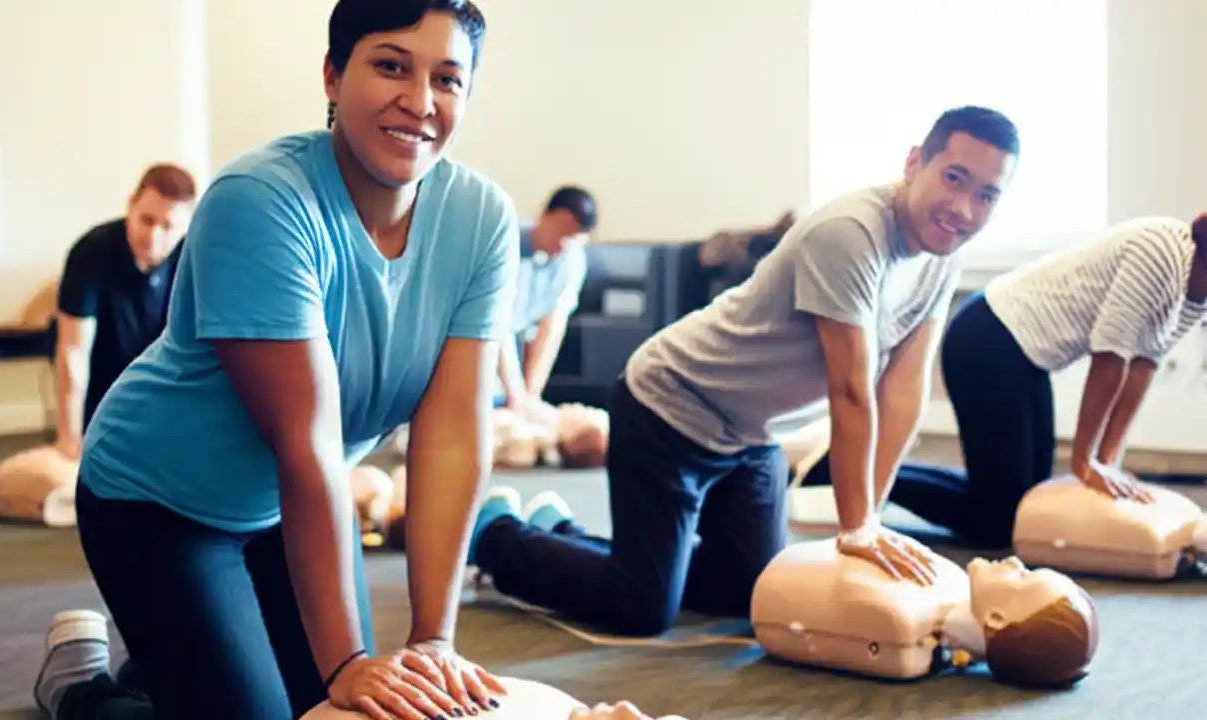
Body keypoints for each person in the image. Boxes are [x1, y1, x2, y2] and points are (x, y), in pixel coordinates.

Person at [33, 2, 519, 719]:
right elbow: (308, 445)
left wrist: (433, 639)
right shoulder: (260, 200)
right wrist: (349, 661)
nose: (420, 102)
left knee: (338, 709)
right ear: (332, 75)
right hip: (159, 502)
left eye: (448, 80)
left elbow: (451, 435)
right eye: (391, 65)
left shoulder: (482, 220)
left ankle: (173, 658)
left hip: (285, 510)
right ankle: (82, 691)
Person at [466, 106, 1021, 636]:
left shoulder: (943, 258)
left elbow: (903, 391)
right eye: (954, 178)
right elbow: (852, 389)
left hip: (753, 438)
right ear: (914, 162)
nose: (964, 208)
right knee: (639, 608)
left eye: (987, 195)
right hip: (672, 408)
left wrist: (871, 517)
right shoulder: (852, 233)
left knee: (747, 593)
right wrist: (856, 529)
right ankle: (498, 535)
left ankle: (561, 535)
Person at [804, 213, 1207, 548]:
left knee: (1026, 504)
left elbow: (1143, 365)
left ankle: (857, 468)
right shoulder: (1160, 253)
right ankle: (836, 473)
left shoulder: (1196, 292)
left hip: (1028, 357)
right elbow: (1110, 358)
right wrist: (1087, 461)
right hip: (989, 338)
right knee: (1000, 525)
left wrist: (1111, 459)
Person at [53, 164, 196, 459]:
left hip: (163, 395)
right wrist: (69, 438)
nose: (153, 235)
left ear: (186, 227)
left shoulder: (192, 259)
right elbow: (73, 352)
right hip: (101, 394)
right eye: (146, 220)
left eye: (168, 226)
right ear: (131, 205)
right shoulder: (90, 252)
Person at [495, 186, 596, 415]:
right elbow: (495, 322)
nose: (563, 244)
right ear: (544, 216)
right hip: (484, 344)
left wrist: (530, 395)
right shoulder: (504, 242)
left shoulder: (571, 259)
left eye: (572, 238)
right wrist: (514, 393)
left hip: (515, 350)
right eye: (561, 232)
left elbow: (551, 328)